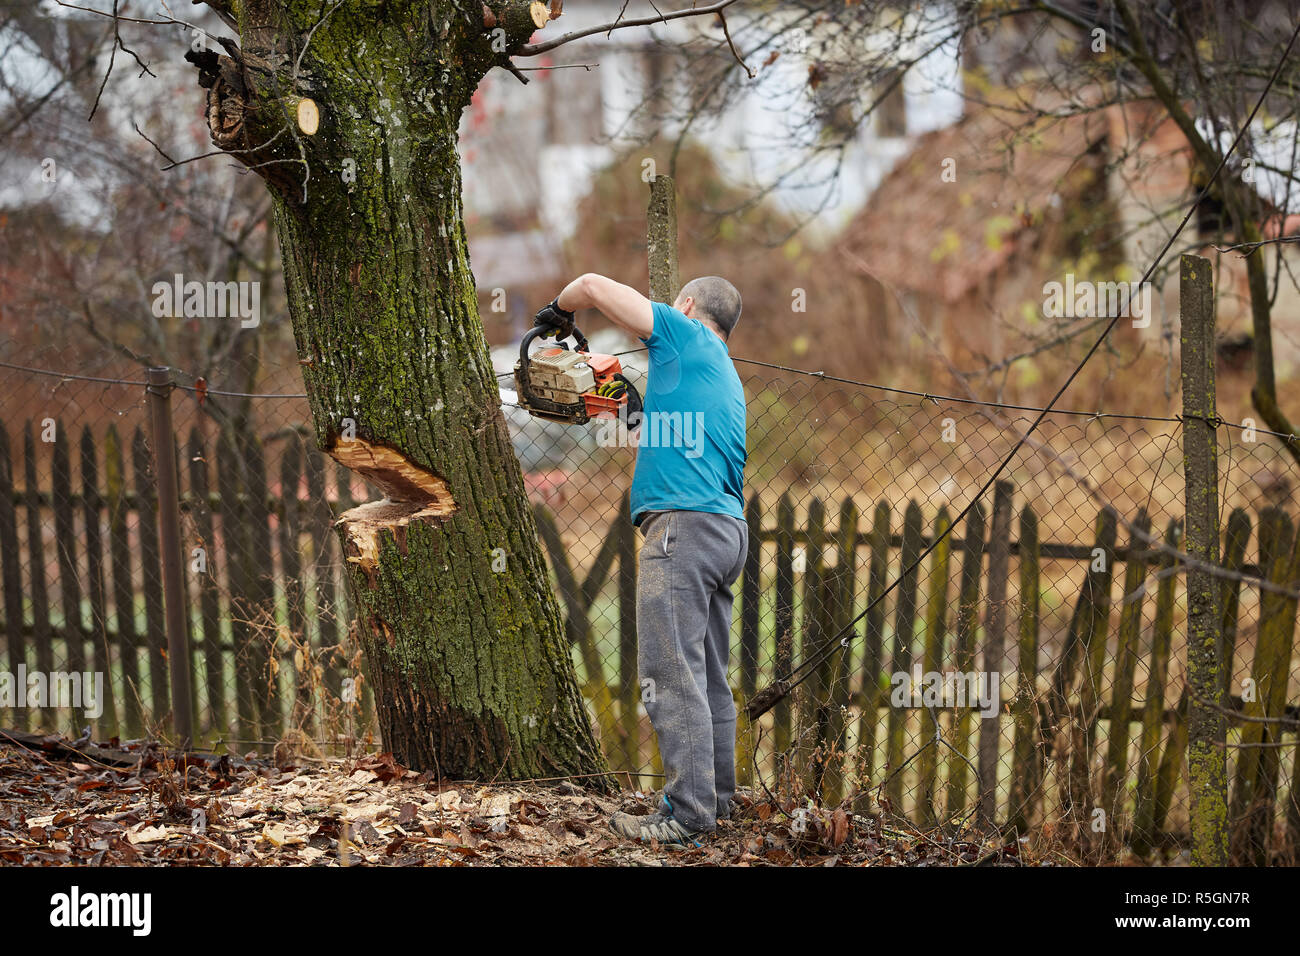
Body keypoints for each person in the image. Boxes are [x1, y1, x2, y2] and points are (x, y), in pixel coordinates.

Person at [534, 273, 747, 845]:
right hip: (724, 530)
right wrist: (624, 403)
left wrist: (560, 311)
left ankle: (688, 815)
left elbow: (593, 283)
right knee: (705, 676)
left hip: (682, 530)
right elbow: (651, 434)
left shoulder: (686, 337)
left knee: (669, 673)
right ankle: (716, 802)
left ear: (687, 305)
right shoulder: (720, 374)